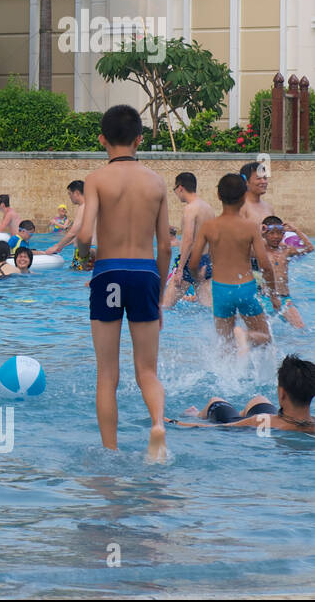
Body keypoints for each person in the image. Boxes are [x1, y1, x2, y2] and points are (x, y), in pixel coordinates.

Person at [76, 104, 171, 463]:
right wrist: (158, 293)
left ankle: (110, 452)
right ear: (139, 140)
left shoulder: (97, 179)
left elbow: (85, 234)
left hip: (109, 273)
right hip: (146, 273)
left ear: (102, 138)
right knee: (147, 370)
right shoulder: (157, 181)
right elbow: (164, 246)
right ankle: (158, 424)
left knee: (107, 375)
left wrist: (87, 258)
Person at [186, 174, 276, 352]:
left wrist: (198, 279)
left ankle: (230, 376)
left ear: (218, 195)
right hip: (245, 288)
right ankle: (247, 335)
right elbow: (265, 265)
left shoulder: (209, 226)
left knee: (226, 346)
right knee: (265, 338)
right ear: (244, 196)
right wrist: (273, 293)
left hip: (220, 290)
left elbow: (193, 264)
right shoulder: (250, 227)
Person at [171, 354, 315, 434]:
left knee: (215, 400)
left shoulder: (262, 421)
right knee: (260, 399)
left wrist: (175, 422)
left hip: (239, 423)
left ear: (281, 393)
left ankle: (195, 414)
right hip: (265, 419)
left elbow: (219, 428)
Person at [161, 172, 216, 311]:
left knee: (164, 306)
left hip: (189, 262)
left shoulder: (189, 209)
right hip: (206, 261)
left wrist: (180, 269)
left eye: (175, 190)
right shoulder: (208, 209)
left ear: (180, 188)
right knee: (208, 308)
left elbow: (188, 240)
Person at [259, 216, 311, 328]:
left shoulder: (286, 250)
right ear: (264, 234)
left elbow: (309, 248)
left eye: (280, 233)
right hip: (265, 298)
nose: (276, 237)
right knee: (262, 333)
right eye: (271, 233)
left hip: (284, 298)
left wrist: (296, 231)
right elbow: (241, 248)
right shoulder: (259, 250)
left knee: (300, 327)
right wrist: (258, 233)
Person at [44, 181, 89, 266]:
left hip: (84, 253)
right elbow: (78, 235)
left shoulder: (83, 207)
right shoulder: (89, 206)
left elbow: (73, 233)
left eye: (70, 194)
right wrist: (62, 246)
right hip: (88, 251)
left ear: (76, 193)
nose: (69, 197)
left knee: (79, 278)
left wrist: (56, 246)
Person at [239, 160, 276, 226]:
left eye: (265, 178)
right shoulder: (241, 207)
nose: (263, 182)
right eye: (258, 178)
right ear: (246, 182)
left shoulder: (269, 207)